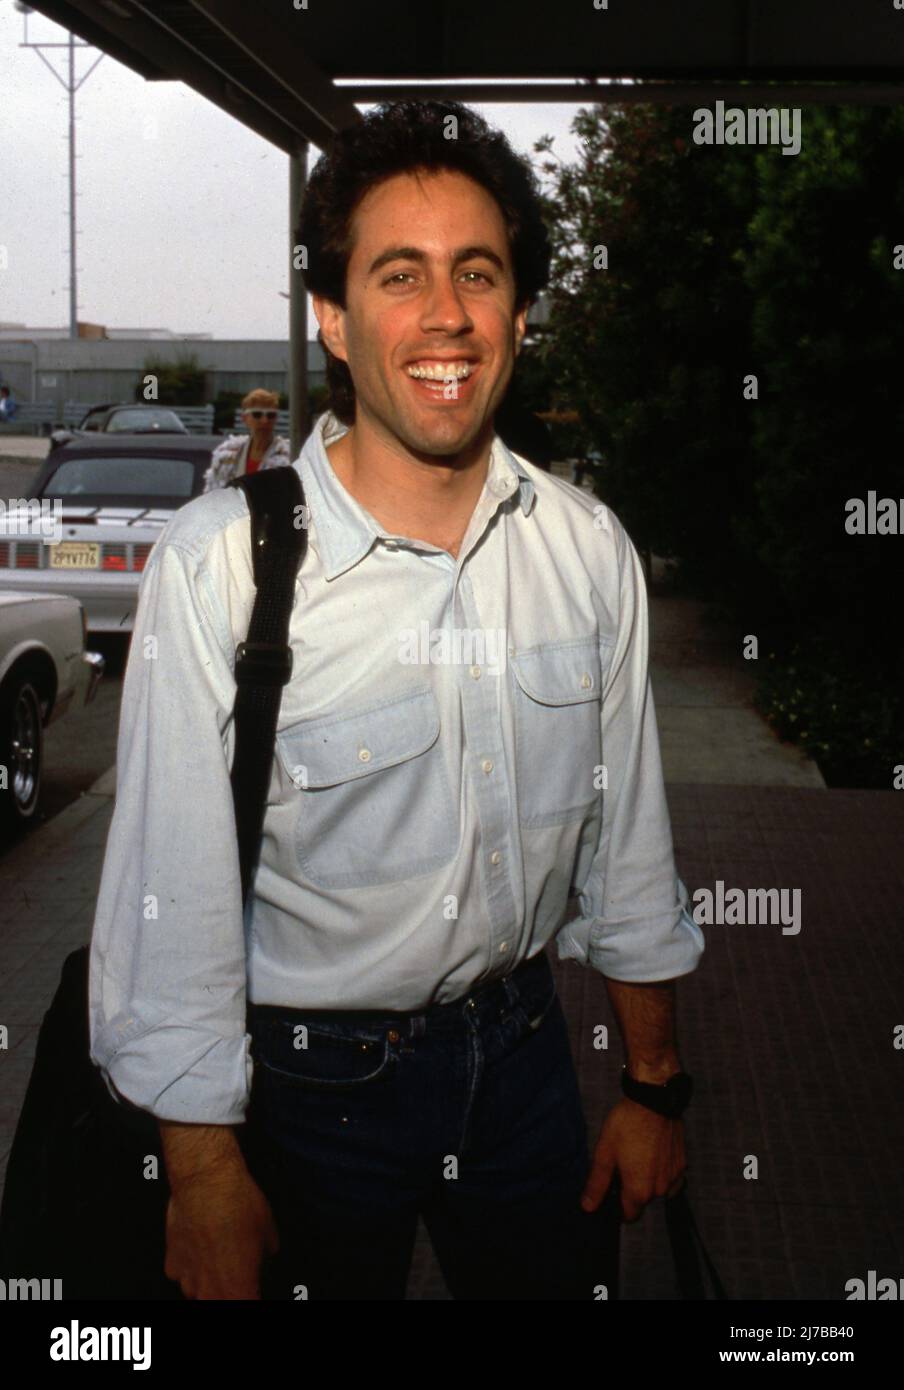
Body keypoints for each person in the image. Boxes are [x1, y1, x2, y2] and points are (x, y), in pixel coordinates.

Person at [88, 99, 704, 1302]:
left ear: (518, 311)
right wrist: (203, 1171)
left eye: (478, 274)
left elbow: (629, 850)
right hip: (303, 1095)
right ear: (333, 314)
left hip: (525, 1068)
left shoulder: (586, 549)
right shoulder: (219, 565)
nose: (446, 316)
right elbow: (172, 899)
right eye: (399, 274)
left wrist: (648, 1088)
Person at [202, 388, 290, 492]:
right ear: (244, 418)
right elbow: (213, 495)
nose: (265, 420)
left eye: (271, 415)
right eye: (257, 414)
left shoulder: (288, 456)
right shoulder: (226, 455)